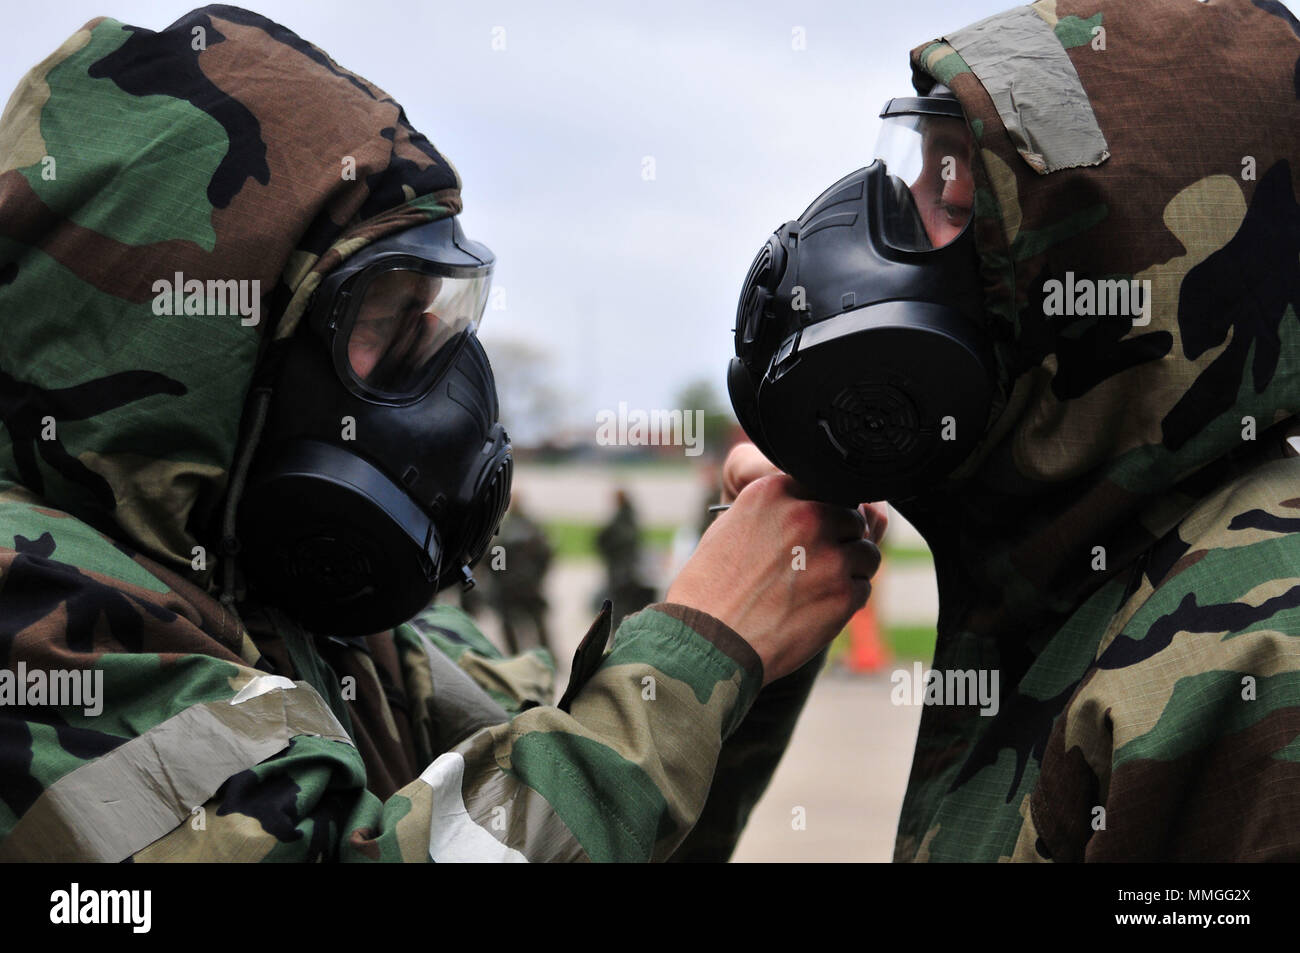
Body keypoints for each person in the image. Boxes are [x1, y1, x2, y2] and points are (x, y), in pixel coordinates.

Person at [0, 6, 884, 862]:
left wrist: (746, 624)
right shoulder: (42, 630)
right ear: (209, 342)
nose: (440, 385)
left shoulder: (317, 621)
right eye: (384, 323)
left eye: (440, 323)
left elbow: (591, 804)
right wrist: (704, 639)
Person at [728, 0, 1300, 861]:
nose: (898, 220)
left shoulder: (1253, 651)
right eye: (916, 173)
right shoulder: (1059, 581)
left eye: (954, 189)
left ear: (1108, 259)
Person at [488, 494, 553, 654]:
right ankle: (547, 653)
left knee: (508, 622)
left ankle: (514, 654)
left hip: (508, 586)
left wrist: (502, 577)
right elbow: (546, 555)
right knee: (538, 620)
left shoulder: (502, 530)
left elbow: (495, 559)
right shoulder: (534, 529)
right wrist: (537, 576)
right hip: (530, 584)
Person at [595, 488, 656, 624]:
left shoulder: (620, 521)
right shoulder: (630, 519)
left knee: (619, 604)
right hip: (629, 568)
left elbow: (602, 538)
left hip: (620, 570)